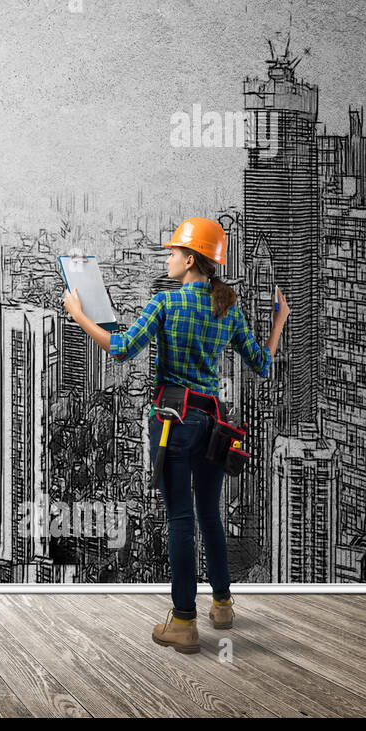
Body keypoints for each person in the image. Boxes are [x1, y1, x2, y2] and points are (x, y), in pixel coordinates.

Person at [62, 216, 289, 654]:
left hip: (173, 420)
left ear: (189, 259)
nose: (167, 257)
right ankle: (222, 605)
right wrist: (279, 321)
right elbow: (261, 364)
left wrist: (77, 314)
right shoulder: (229, 307)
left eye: (172, 252)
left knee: (181, 519)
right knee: (210, 515)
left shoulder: (165, 304)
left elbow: (122, 347)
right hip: (215, 424)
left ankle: (184, 621)